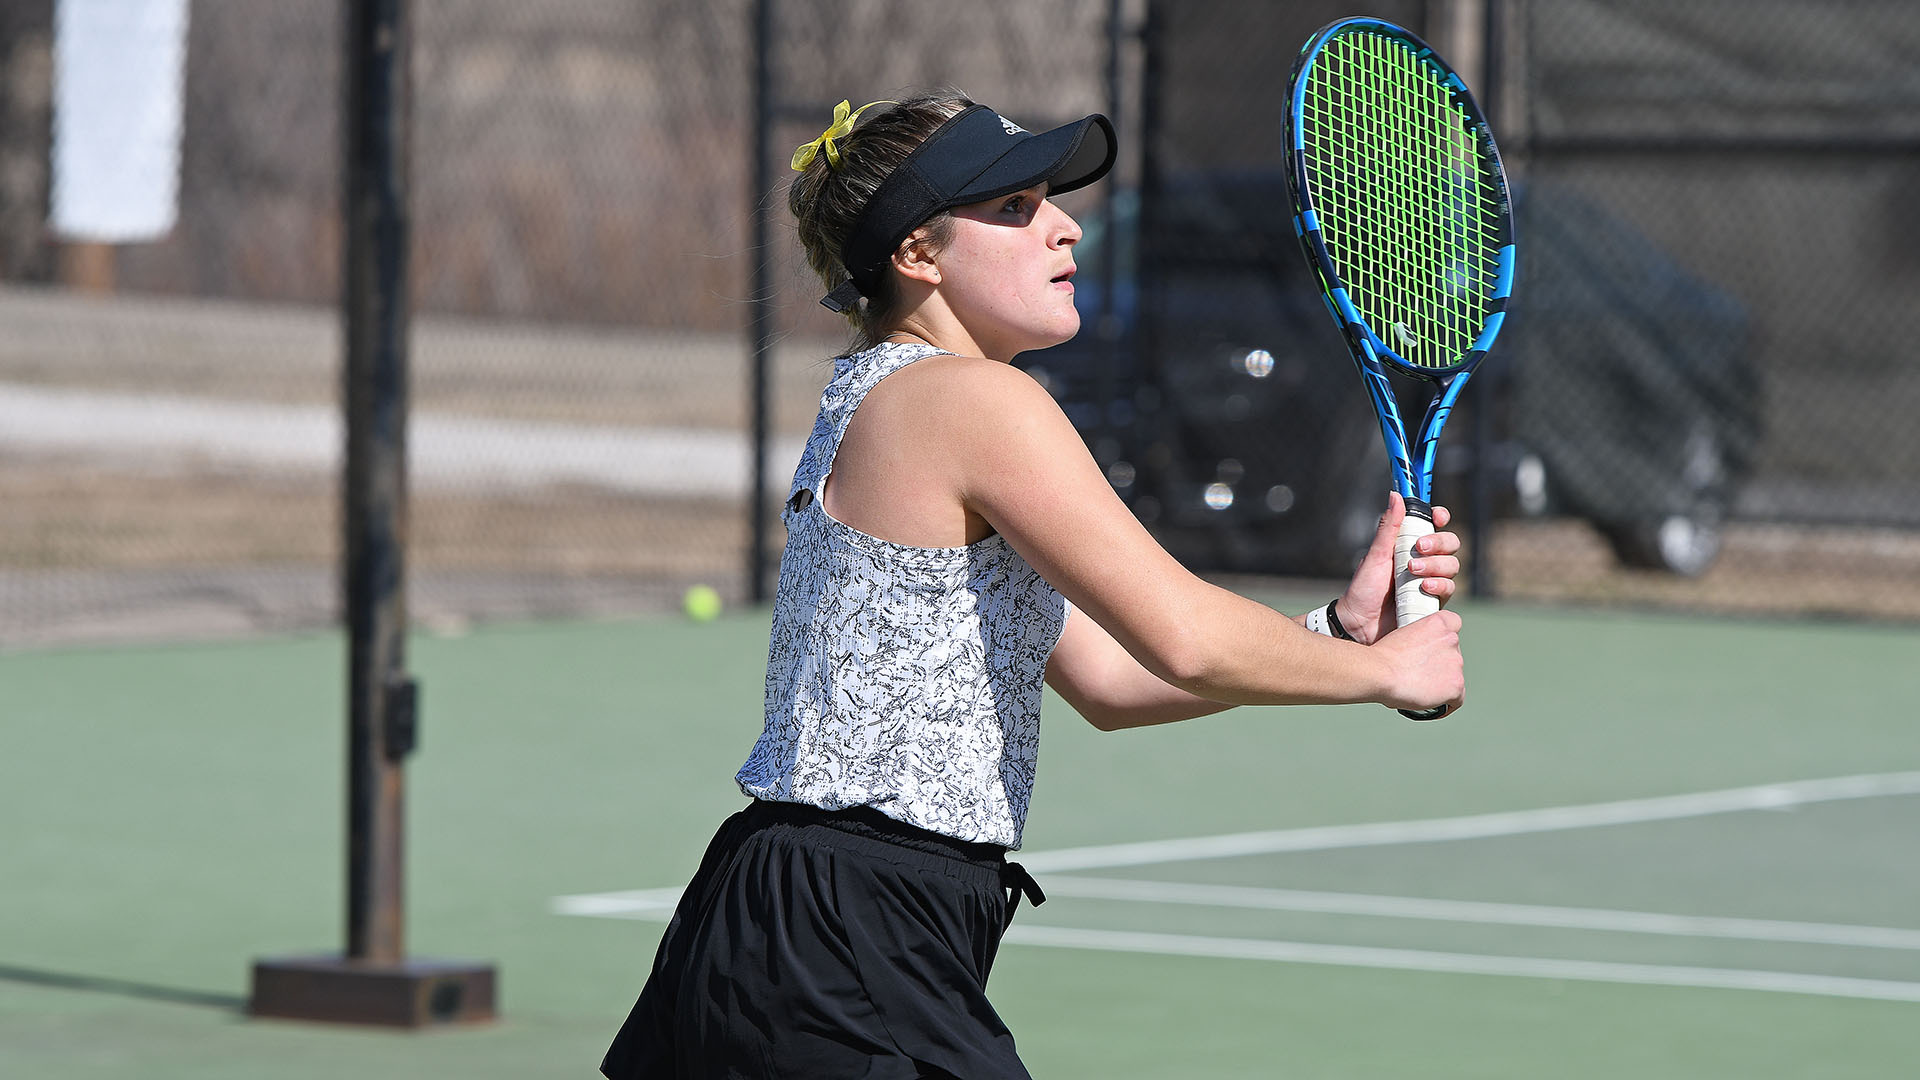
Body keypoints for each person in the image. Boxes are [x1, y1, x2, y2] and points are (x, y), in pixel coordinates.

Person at [602, 92, 1464, 1079]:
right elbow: (1182, 633)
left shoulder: (890, 392)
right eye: (1014, 209)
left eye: (1051, 201)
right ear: (918, 255)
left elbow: (1111, 680)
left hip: (804, 915)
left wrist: (1342, 630)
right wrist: (1391, 671)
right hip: (847, 927)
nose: (1065, 227)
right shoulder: (970, 401)